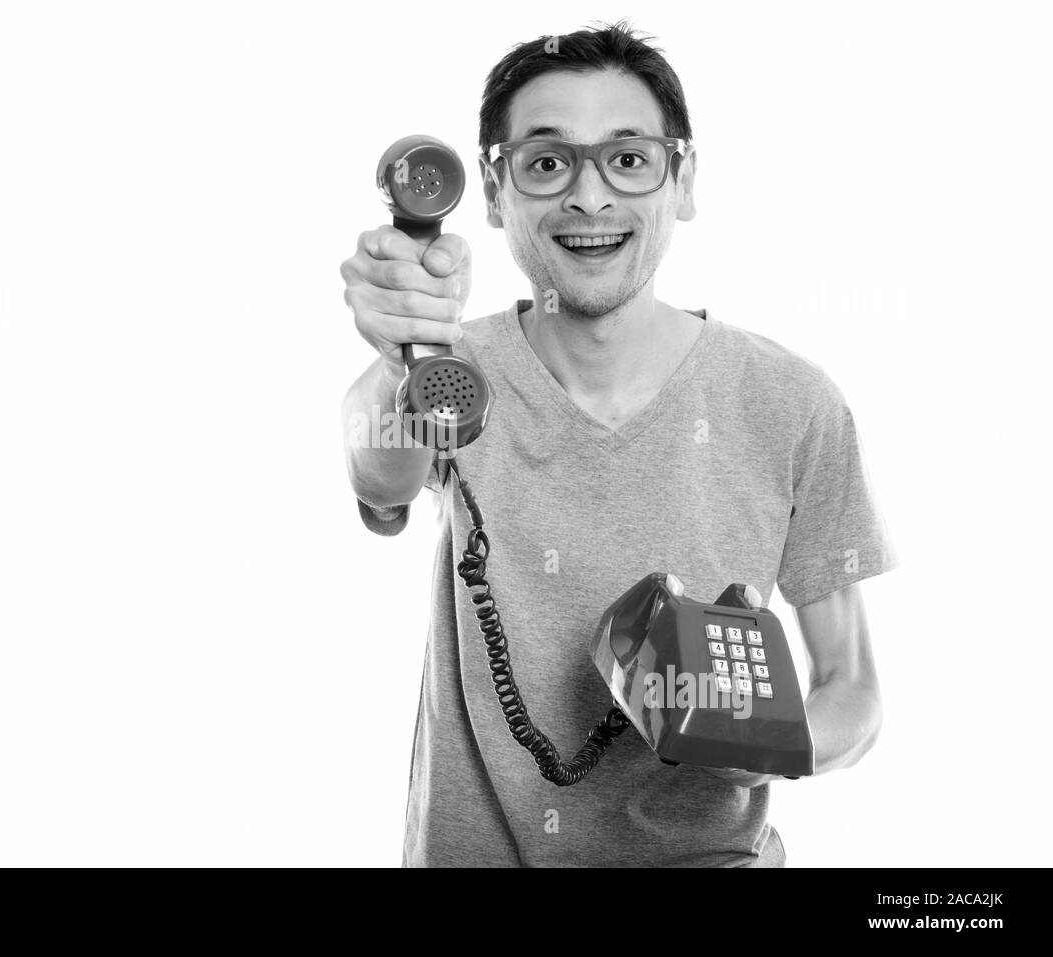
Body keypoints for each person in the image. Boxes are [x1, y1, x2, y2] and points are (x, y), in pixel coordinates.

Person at [339, 20, 898, 867]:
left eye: (628, 158)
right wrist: (400, 355)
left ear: (684, 181)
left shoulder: (792, 401)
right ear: (494, 191)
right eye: (547, 161)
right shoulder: (451, 369)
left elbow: (851, 689)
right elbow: (378, 473)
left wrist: (772, 744)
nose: (590, 197)